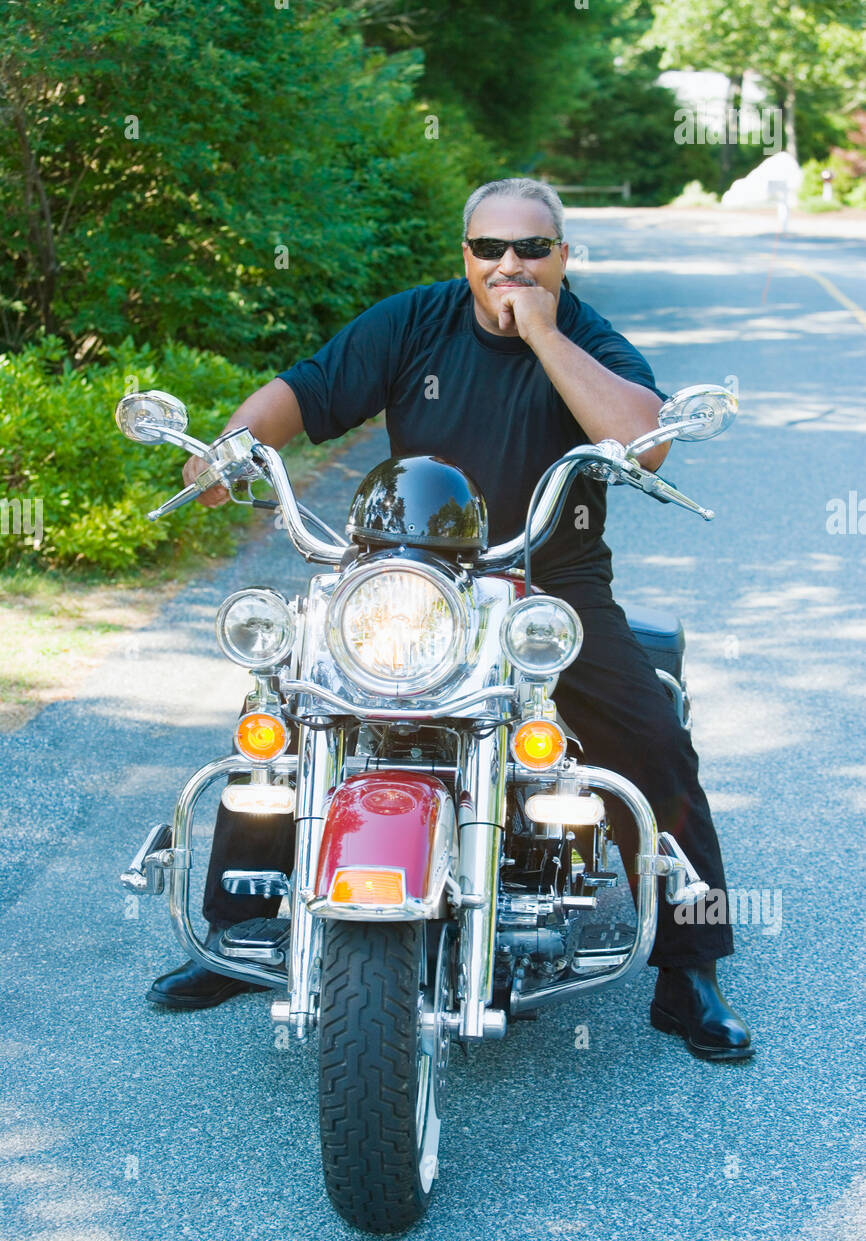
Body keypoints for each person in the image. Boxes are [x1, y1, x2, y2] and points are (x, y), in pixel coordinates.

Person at [147, 177, 754, 1063]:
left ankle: (691, 965)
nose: (509, 265)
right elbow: (307, 391)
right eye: (489, 249)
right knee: (289, 707)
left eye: (531, 250)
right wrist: (232, 450)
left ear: (562, 257)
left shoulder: (584, 334)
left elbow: (644, 439)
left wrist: (541, 330)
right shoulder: (413, 322)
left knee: (654, 741)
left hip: (549, 585)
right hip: (406, 581)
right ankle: (242, 933)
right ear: (464, 255)